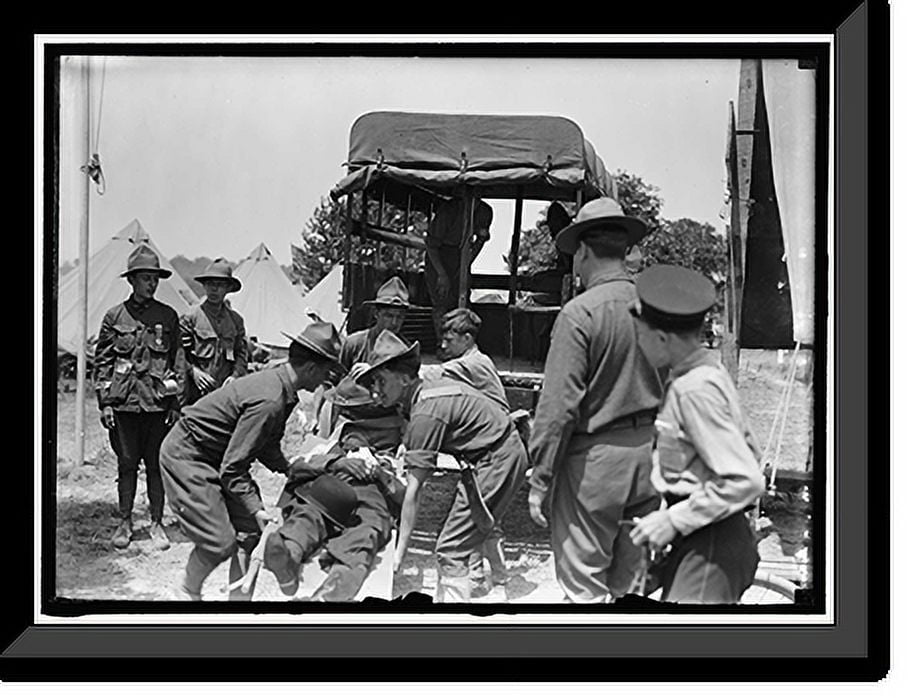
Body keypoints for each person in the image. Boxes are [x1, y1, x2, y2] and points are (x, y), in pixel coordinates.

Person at [526, 196, 664, 603]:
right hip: (648, 458)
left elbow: (557, 410)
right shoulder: (658, 308)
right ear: (625, 251)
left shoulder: (578, 314)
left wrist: (541, 478)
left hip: (594, 466)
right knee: (631, 590)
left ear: (582, 251)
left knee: (584, 592)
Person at [158, 321, 345, 601]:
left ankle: (238, 607)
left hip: (214, 455)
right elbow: (233, 469)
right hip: (189, 455)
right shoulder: (269, 400)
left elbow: (265, 444)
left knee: (248, 533)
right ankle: (186, 592)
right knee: (219, 541)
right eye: (325, 372)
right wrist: (257, 508)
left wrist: (289, 468)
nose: (324, 380)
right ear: (309, 369)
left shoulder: (280, 388)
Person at [356, 330, 527, 602]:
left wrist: (399, 554)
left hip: (497, 457)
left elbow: (414, 492)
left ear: (403, 378)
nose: (375, 391)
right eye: (371, 383)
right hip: (494, 453)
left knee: (451, 547)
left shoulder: (427, 410)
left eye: (379, 380)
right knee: (468, 532)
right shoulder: (427, 390)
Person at [629, 264, 764, 603]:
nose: (638, 343)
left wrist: (674, 520)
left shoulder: (695, 390)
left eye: (640, 334)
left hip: (712, 544)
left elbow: (745, 480)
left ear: (661, 338)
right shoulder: (702, 372)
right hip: (701, 535)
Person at [262, 375, 407, 600]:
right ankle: (289, 556)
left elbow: (406, 497)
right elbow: (297, 467)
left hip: (372, 498)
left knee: (364, 534)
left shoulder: (389, 459)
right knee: (307, 516)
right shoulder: (331, 447)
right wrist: (335, 462)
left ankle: (329, 595)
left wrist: (379, 473)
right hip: (326, 494)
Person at [93, 244, 186, 551]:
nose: (151, 283)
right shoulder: (114, 316)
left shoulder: (168, 316)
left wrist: (175, 403)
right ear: (131, 280)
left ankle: (157, 523)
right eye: (146, 278)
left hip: (157, 405)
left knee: (157, 466)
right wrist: (105, 403)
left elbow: (178, 362)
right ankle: (125, 522)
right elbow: (102, 363)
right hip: (124, 405)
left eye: (155, 278)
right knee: (126, 465)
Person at [429, 307, 511, 595]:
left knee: (486, 518)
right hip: (482, 449)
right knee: (478, 515)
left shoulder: (473, 363)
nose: (442, 345)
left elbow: (429, 375)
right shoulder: (468, 360)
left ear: (466, 338)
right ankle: (480, 576)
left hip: (495, 449)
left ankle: (497, 580)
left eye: (449, 339)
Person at [424, 196, 493, 340]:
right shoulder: (449, 210)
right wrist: (441, 274)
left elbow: (480, 240)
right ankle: (443, 343)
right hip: (440, 255)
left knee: (462, 300)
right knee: (441, 301)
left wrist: (465, 264)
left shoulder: (484, 212)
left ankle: (460, 343)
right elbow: (431, 245)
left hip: (461, 255)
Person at [180, 258, 247, 405]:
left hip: (224, 394)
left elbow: (241, 353)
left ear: (228, 288)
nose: (214, 289)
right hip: (196, 393)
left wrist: (235, 376)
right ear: (204, 286)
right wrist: (193, 371)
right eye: (210, 284)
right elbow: (178, 354)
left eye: (220, 285)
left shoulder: (236, 321)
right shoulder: (191, 317)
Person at [339, 276, 410, 371]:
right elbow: (337, 380)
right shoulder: (354, 344)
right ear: (376, 314)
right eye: (388, 316)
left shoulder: (405, 350)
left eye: (399, 317)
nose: (394, 322)